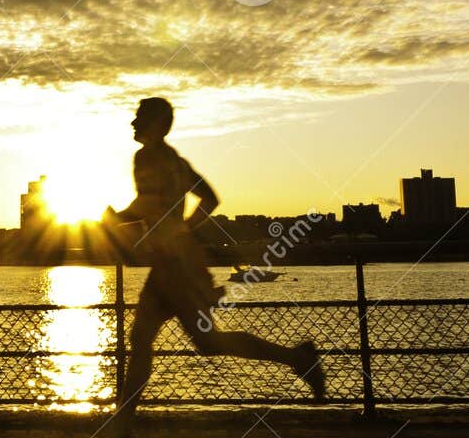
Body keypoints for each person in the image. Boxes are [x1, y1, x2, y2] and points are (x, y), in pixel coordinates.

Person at [103, 97, 326, 418]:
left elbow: (147, 202)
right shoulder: (176, 161)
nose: (133, 123)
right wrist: (185, 230)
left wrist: (115, 219)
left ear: (155, 123)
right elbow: (209, 198)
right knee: (182, 340)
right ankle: (298, 359)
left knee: (164, 340)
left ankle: (299, 359)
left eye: (139, 117)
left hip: (174, 268)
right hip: (176, 262)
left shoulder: (146, 157)